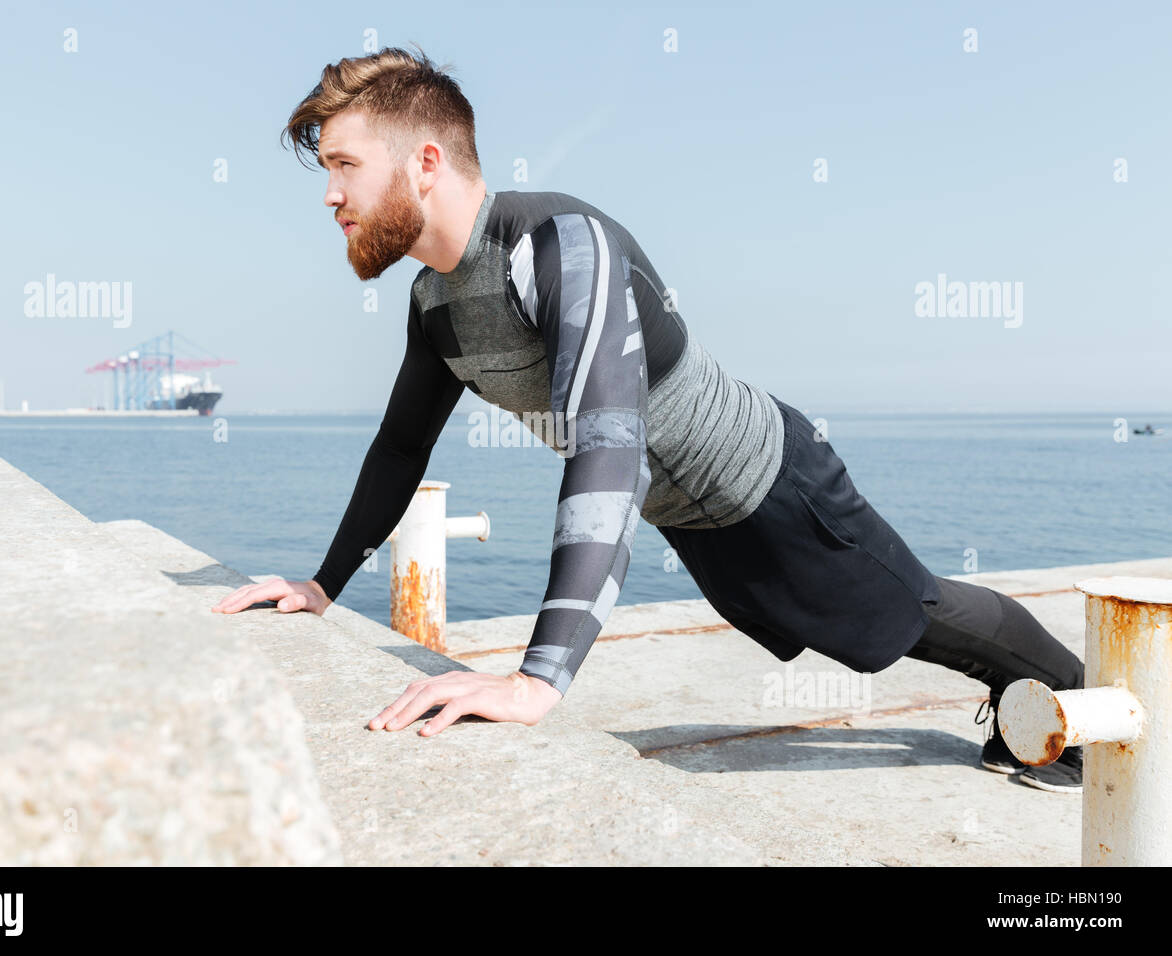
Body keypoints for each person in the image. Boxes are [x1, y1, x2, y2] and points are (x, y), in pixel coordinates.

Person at [211, 44, 1084, 791]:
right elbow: (402, 444)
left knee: (911, 618)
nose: (330, 195)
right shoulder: (434, 300)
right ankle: (1033, 704)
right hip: (690, 518)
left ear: (425, 161)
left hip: (772, 480)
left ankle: (1082, 707)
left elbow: (607, 443)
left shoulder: (559, 246)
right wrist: (324, 584)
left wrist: (538, 681)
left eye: (343, 165)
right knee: (861, 644)